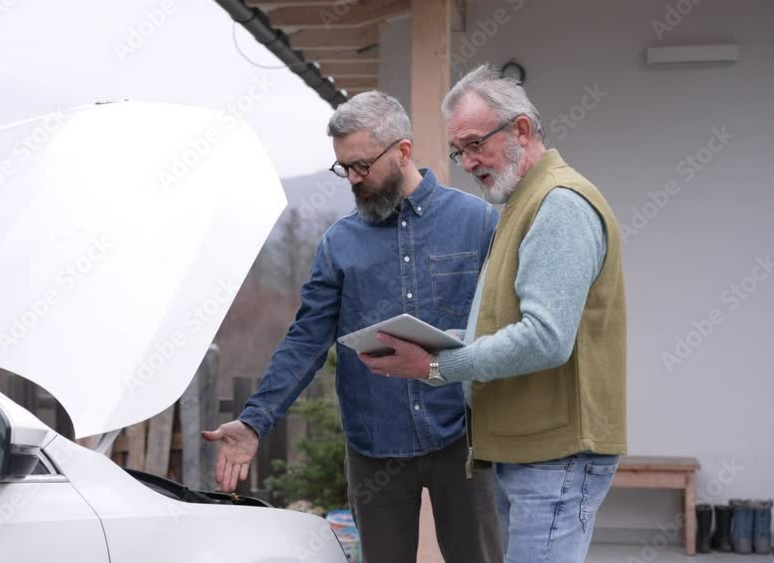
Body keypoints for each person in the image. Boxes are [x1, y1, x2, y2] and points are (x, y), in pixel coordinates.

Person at [202, 91, 502, 563]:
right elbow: (305, 341)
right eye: (344, 169)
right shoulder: (338, 243)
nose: (354, 180)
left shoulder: (478, 222)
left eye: (362, 166)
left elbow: (501, 325)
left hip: (462, 439)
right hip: (375, 443)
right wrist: (255, 421)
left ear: (402, 152)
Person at [360, 64, 627, 563]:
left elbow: (545, 338)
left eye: (475, 144)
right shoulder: (521, 204)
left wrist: (437, 365)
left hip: (555, 459)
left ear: (520, 130)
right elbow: (505, 328)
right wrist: (436, 344)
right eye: (460, 151)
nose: (467, 161)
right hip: (529, 455)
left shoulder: (559, 205)